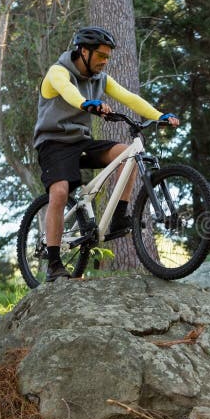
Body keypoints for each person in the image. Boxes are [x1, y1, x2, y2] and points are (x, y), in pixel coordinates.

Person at [33, 26, 180, 282]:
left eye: (108, 56)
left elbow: (130, 97)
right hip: (53, 143)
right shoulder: (58, 72)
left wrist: (159, 116)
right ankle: (54, 262)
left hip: (80, 142)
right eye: (101, 55)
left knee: (127, 155)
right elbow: (68, 92)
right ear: (84, 51)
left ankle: (120, 218)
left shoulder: (101, 79)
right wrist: (85, 103)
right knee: (59, 192)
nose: (104, 61)